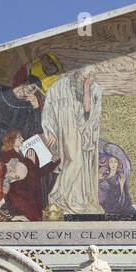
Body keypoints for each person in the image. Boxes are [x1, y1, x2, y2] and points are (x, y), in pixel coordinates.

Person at [42, 68, 103, 215]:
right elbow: (48, 110)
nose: (87, 78)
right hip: (66, 130)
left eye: (90, 76)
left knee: (82, 166)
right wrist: (50, 130)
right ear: (76, 72)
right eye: (85, 76)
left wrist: (87, 87)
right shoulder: (58, 87)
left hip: (84, 132)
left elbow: (91, 111)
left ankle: (76, 199)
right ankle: (57, 196)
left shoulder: (94, 88)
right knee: (75, 162)